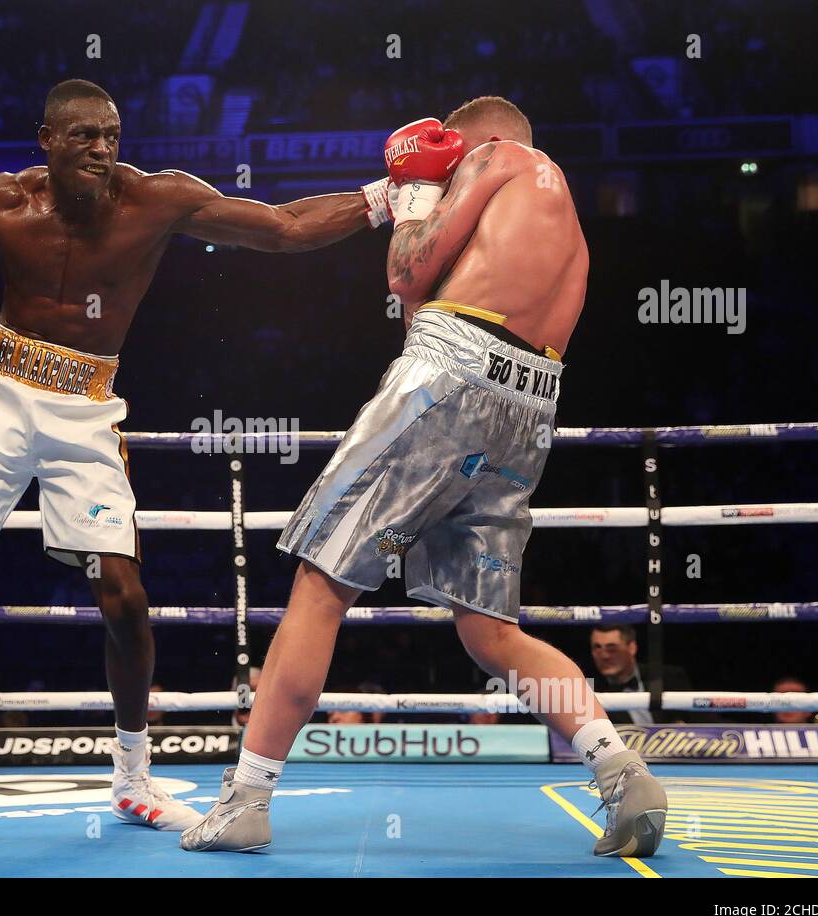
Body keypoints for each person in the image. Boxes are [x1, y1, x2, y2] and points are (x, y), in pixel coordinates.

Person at [0, 79, 394, 853]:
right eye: (84, 137)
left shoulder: (157, 199)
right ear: (46, 140)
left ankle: (132, 777)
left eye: (111, 136)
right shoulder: (1, 200)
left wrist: (388, 194)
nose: (102, 150)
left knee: (123, 595)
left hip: (86, 406)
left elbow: (284, 227)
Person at [183, 98, 667, 858]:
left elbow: (406, 272)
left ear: (482, 140)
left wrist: (413, 192)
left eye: (452, 153)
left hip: (448, 378)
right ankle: (621, 770)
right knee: (490, 631)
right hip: (528, 407)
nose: (446, 168)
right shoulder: (568, 231)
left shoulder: (496, 156)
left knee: (321, 581)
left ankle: (246, 799)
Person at [588, 624, 691, 725]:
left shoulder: (669, 677)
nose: (604, 656)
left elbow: (693, 718)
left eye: (612, 648)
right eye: (597, 648)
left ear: (632, 648)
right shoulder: (588, 689)